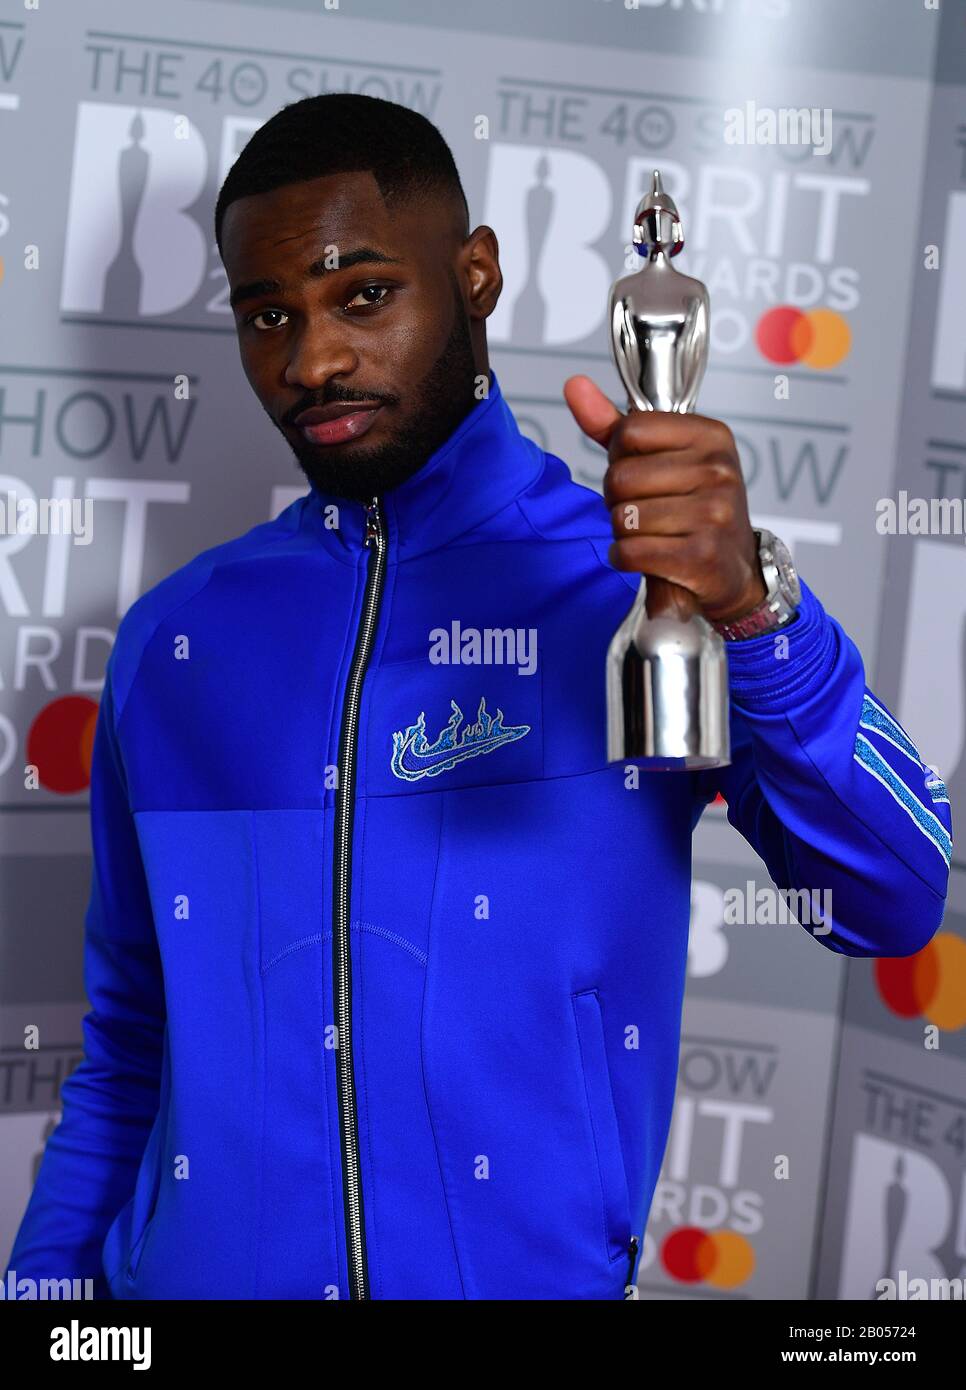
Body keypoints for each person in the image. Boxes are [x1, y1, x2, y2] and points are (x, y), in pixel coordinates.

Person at [6, 94, 952, 1302]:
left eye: (362, 295)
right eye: (266, 315)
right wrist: (46, 1296)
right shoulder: (179, 641)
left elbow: (893, 900)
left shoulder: (637, 589)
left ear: (477, 274)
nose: (312, 360)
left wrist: (756, 620)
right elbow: (136, 1039)